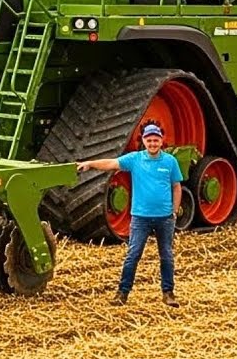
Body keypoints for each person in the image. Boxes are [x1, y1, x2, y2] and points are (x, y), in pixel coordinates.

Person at [77, 123, 182, 308]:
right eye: (149, 140)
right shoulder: (135, 159)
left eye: (156, 140)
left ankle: (168, 293)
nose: (152, 143)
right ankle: (122, 293)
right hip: (140, 217)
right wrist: (90, 164)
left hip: (165, 218)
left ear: (161, 141)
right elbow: (111, 163)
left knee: (166, 255)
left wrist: (174, 211)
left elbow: (176, 187)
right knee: (133, 254)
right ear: (143, 141)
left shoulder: (170, 161)